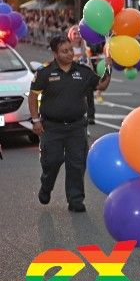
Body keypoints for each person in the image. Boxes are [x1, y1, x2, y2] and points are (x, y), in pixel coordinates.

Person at [29, 34, 111, 212]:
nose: (69, 54)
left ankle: (75, 200)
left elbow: (101, 85)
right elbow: (33, 96)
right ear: (54, 53)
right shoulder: (45, 72)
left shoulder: (82, 72)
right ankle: (46, 186)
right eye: (64, 51)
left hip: (76, 127)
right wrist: (35, 120)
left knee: (76, 164)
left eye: (70, 50)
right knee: (51, 161)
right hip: (52, 127)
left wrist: (109, 68)